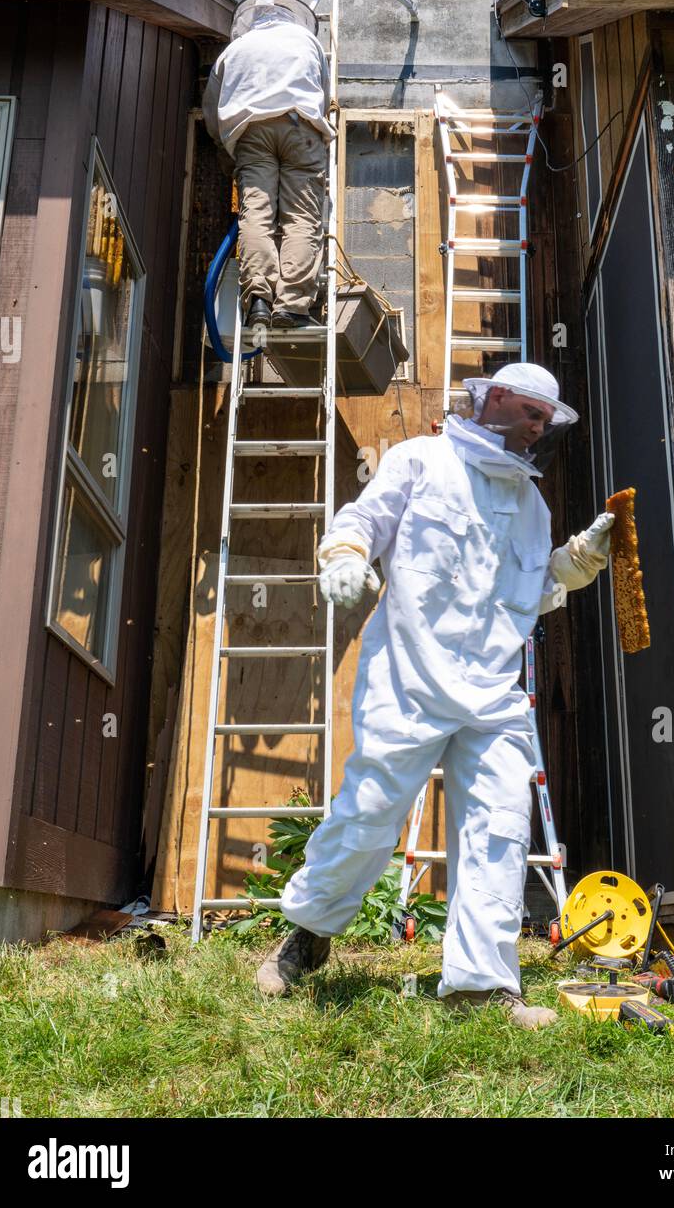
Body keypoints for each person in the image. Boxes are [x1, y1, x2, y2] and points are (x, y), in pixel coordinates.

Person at [255, 363, 614, 1028]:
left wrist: (580, 559)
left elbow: (533, 591)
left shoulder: (532, 506)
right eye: (534, 414)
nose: (539, 429)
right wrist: (343, 555)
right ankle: (307, 936)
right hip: (409, 678)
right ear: (497, 398)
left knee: (501, 827)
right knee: (369, 813)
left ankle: (483, 983)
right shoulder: (420, 461)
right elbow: (365, 518)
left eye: (546, 421)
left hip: (494, 691)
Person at [202, 0, 333, 331]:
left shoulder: (234, 51)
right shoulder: (307, 41)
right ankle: (292, 306)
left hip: (251, 134)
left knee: (256, 216)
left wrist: (223, 146)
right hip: (299, 128)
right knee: (301, 218)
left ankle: (259, 300)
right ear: (293, 18)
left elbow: (212, 111)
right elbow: (325, 96)